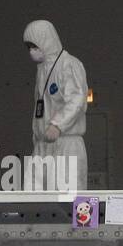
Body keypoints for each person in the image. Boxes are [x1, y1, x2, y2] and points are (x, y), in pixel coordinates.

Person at [25, 20, 87, 191]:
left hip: (65, 143)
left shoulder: (69, 65)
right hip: (43, 144)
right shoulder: (42, 70)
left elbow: (77, 99)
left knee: (66, 198)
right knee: (36, 196)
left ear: (46, 41)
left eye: (34, 45)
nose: (32, 51)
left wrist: (57, 125)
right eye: (29, 47)